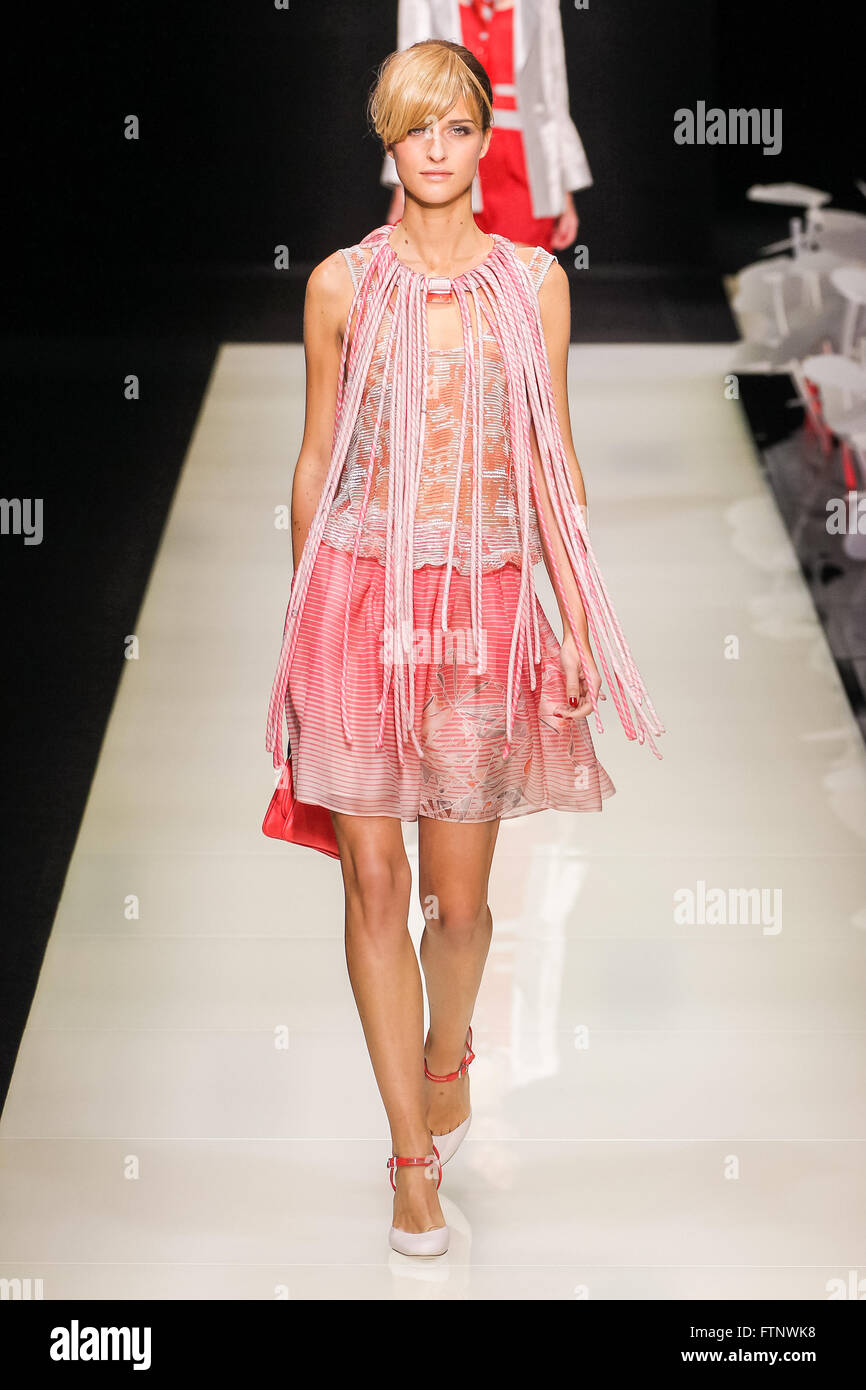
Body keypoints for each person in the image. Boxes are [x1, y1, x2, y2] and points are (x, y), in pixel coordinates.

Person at [265, 40, 663, 1257]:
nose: (432, 152)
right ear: (387, 145)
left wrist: (576, 611)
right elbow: (314, 460)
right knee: (372, 879)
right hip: (359, 598)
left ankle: (450, 1052)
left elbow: (551, 455)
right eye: (410, 131)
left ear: (486, 139)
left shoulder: (530, 283)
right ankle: (408, 1158)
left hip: (483, 605)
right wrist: (296, 631)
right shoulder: (338, 285)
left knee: (462, 903)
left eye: (453, 129)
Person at [382, 0, 593, 251]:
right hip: (449, 155)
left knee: (522, 276)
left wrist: (561, 188)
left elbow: (552, 91)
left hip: (524, 166)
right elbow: (408, 90)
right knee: (451, 277)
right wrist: (400, 183)